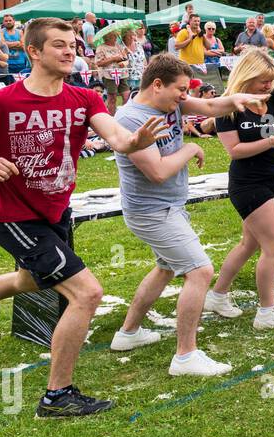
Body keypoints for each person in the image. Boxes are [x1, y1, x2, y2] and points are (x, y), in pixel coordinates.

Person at [0, 17, 171, 417]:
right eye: (60, 45)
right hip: (14, 218)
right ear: (33, 51)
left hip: (56, 212)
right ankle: (57, 395)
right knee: (86, 292)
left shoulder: (85, 100)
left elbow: (117, 139)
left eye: (73, 45)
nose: (70, 52)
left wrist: (136, 141)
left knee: (30, 280)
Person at [109, 53, 258, 374]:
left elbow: (209, 107)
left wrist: (239, 98)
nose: (184, 96)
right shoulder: (132, 119)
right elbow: (158, 172)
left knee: (165, 268)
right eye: (180, 89)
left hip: (167, 208)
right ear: (157, 84)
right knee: (200, 271)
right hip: (151, 212)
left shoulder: (171, 103)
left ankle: (127, 334)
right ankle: (186, 356)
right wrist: (191, 148)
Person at [206, 47, 274, 331]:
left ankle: (217, 295)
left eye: (272, 79)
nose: (269, 85)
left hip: (269, 180)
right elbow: (235, 151)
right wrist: (271, 142)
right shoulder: (228, 109)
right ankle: (267, 312)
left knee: (249, 244)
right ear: (246, 77)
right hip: (248, 185)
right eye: (262, 80)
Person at [93, 33, 128, 114]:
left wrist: (124, 60)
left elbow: (125, 58)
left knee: (127, 96)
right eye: (113, 36)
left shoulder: (119, 46)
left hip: (122, 74)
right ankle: (112, 117)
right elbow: (98, 63)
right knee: (112, 98)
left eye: (115, 36)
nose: (115, 38)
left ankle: (123, 115)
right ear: (107, 38)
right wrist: (113, 59)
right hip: (109, 76)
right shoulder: (101, 48)